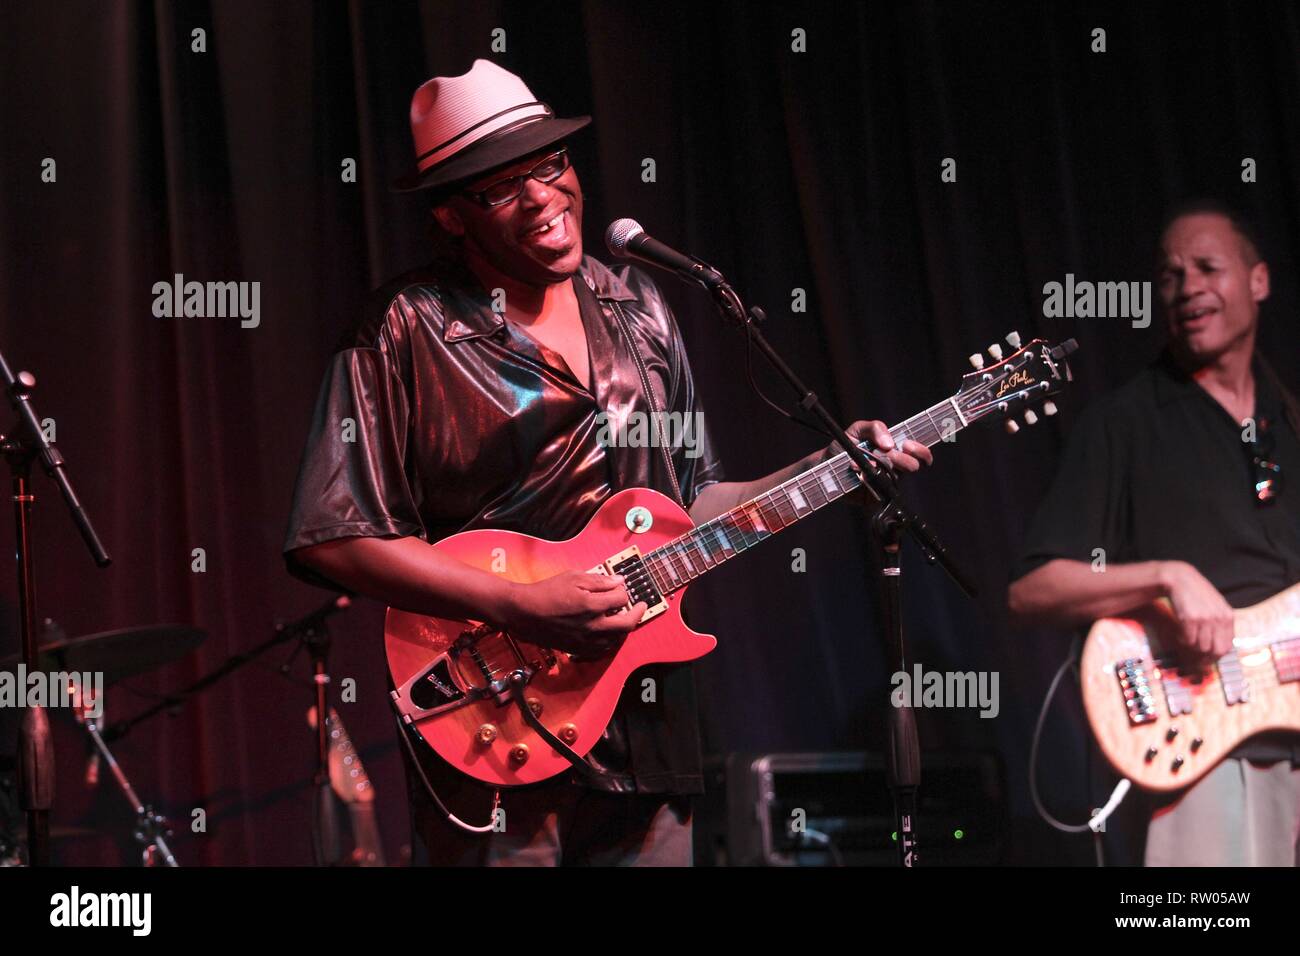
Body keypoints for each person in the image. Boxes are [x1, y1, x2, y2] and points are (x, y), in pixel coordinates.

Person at [282, 60, 932, 866]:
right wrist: (521, 605)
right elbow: (332, 534)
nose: (541, 196)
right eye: (501, 186)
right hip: (493, 725)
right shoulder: (405, 326)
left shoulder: (639, 305)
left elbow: (694, 502)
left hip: (649, 725)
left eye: (549, 163)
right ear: (450, 215)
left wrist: (827, 468)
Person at [1009, 199, 1300, 866]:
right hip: (1202, 748)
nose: (1188, 286)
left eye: (1207, 267)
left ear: (1258, 280)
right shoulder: (1125, 424)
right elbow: (1031, 591)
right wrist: (1168, 577)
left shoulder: (1290, 423)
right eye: (1171, 275)